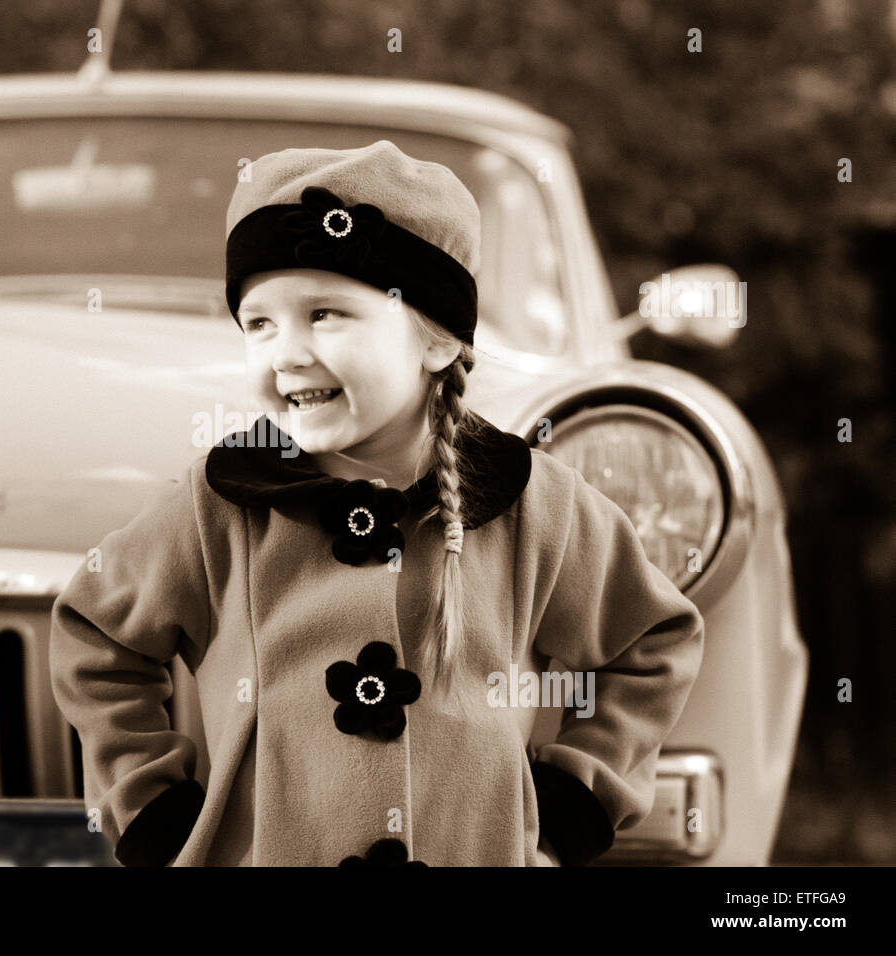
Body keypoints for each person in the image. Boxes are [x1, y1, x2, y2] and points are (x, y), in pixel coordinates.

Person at [49, 139, 704, 866]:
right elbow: (96, 633)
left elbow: (653, 641)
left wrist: (575, 805)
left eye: (326, 313)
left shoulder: (532, 505)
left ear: (435, 341)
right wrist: (149, 809)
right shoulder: (223, 504)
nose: (286, 352)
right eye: (259, 323)